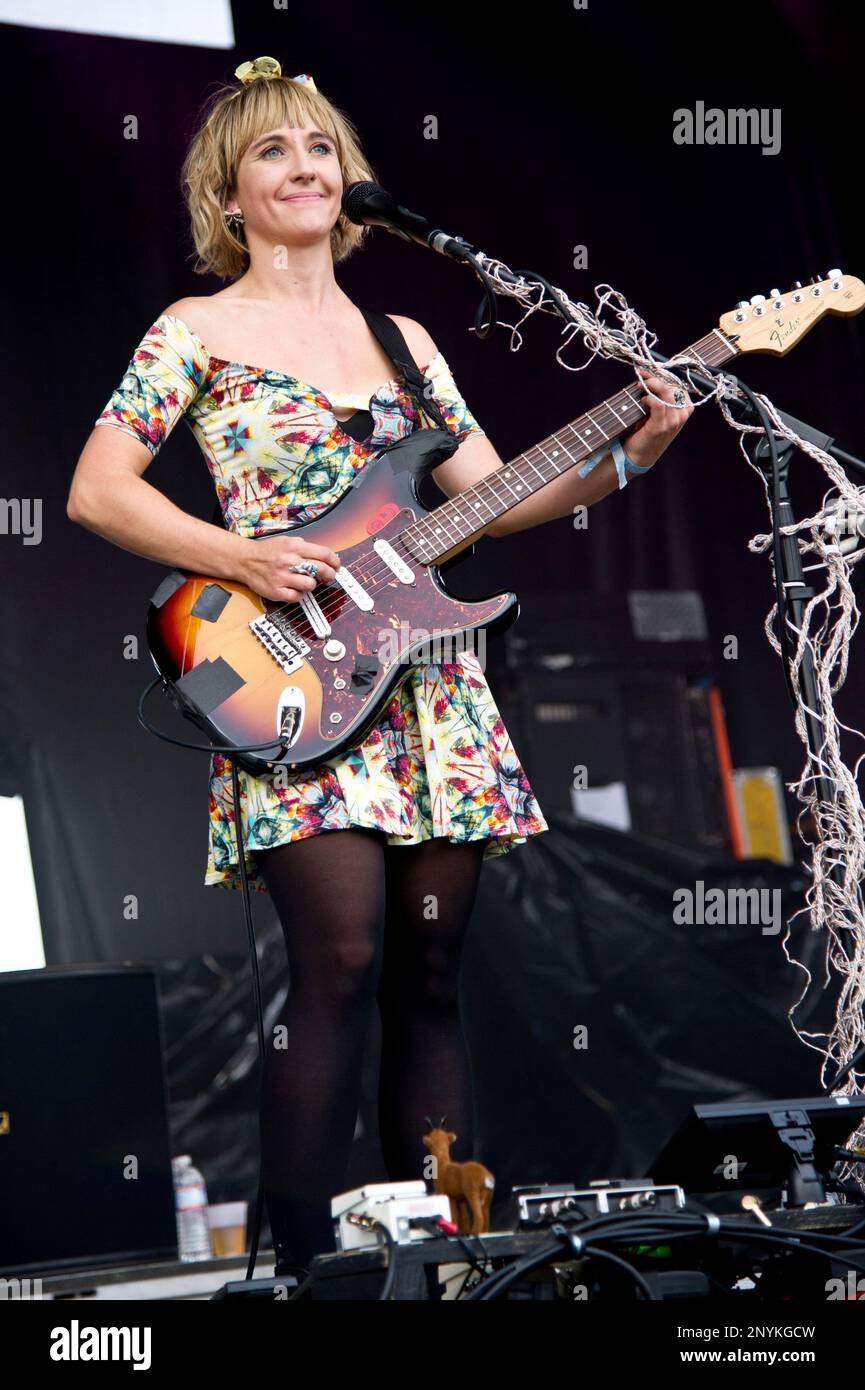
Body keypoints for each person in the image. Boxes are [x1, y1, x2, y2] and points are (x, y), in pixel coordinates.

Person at [67, 57, 694, 1276]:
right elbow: (97, 493)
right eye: (273, 152)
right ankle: (298, 1258)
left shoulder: (402, 342)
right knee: (341, 959)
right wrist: (240, 556)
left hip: (428, 681)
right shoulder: (191, 330)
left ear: (350, 180)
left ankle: (441, 1252)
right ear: (229, 193)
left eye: (321, 148)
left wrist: (634, 451)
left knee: (430, 970)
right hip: (286, 669)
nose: (304, 167)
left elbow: (495, 502)